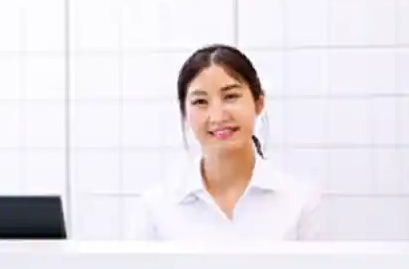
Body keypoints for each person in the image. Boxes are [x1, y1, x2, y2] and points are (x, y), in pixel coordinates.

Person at [126, 44, 325, 240]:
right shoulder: (156, 208)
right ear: (185, 113)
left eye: (230, 96)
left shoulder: (300, 202)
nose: (217, 116)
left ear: (258, 103)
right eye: (200, 102)